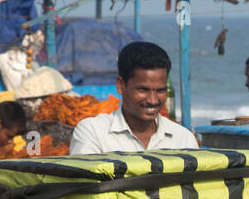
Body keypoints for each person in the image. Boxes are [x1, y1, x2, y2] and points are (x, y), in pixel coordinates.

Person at [70, 41, 199, 154]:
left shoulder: (183, 139)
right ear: (121, 85)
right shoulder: (93, 132)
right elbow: (88, 181)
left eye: (160, 90)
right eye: (143, 90)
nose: (153, 101)